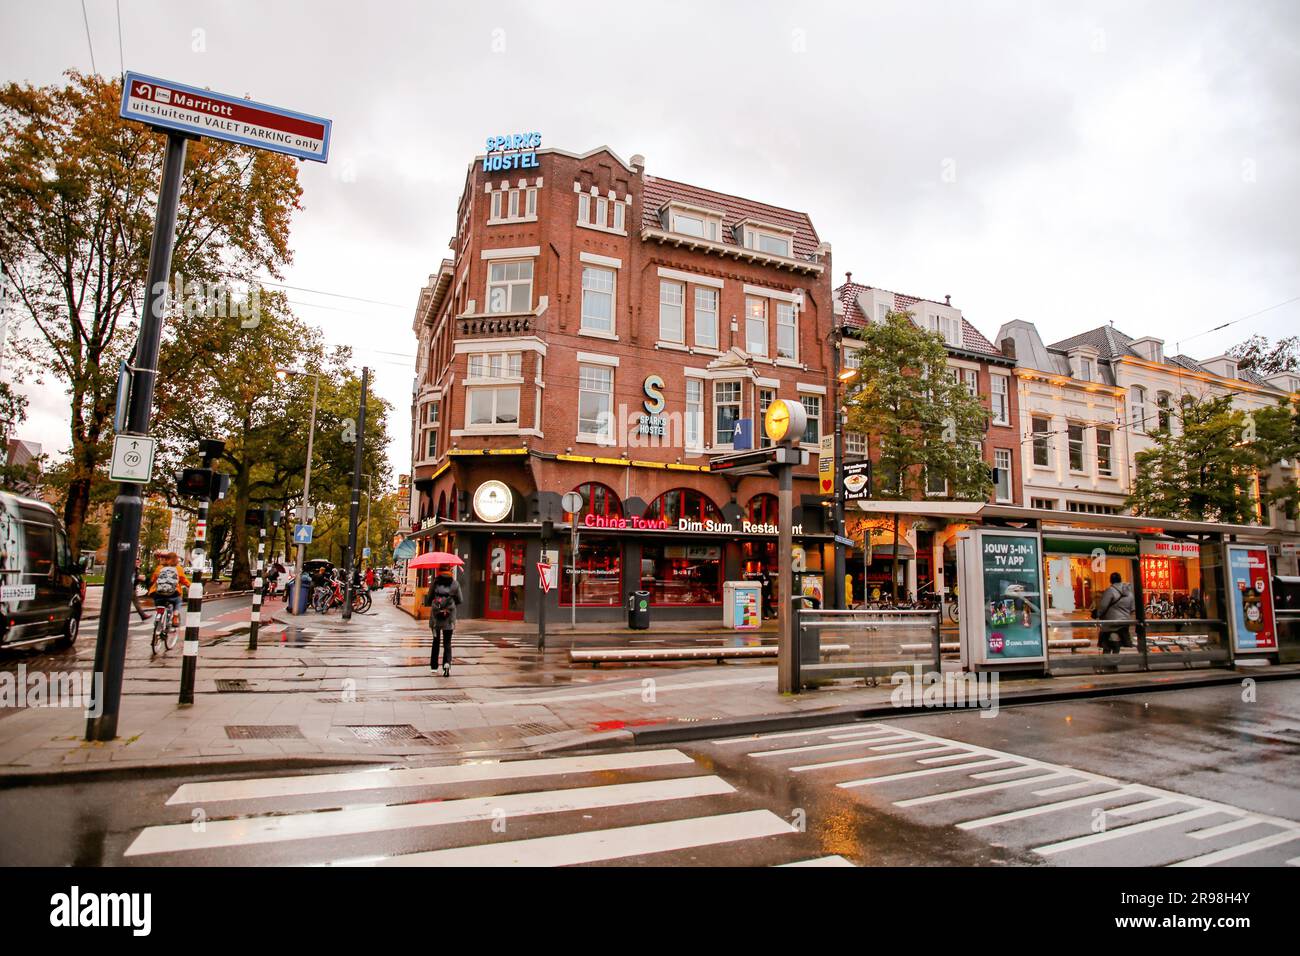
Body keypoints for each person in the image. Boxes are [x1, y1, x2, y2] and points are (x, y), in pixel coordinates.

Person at [422, 566, 463, 676]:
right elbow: (460, 600)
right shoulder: (455, 584)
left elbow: (429, 598)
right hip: (449, 617)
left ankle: (434, 666)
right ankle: (446, 664)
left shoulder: (435, 583)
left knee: (436, 641)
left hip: (436, 616)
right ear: (449, 571)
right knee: (447, 642)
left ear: (439, 571)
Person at [1095, 572, 1135, 667]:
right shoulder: (1129, 592)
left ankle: (1106, 663)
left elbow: (1103, 606)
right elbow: (1132, 608)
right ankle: (1114, 661)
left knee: (1106, 644)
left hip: (1111, 623)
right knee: (1117, 644)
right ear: (1120, 579)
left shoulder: (1110, 591)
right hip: (1124, 623)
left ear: (1111, 580)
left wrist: (1097, 614)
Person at [149, 552, 191, 628]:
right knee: (178, 601)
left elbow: (153, 580)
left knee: (159, 604)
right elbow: (184, 581)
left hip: (158, 594)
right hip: (173, 593)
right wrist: (191, 586)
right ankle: (175, 616)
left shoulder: (159, 568)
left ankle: (159, 615)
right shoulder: (178, 569)